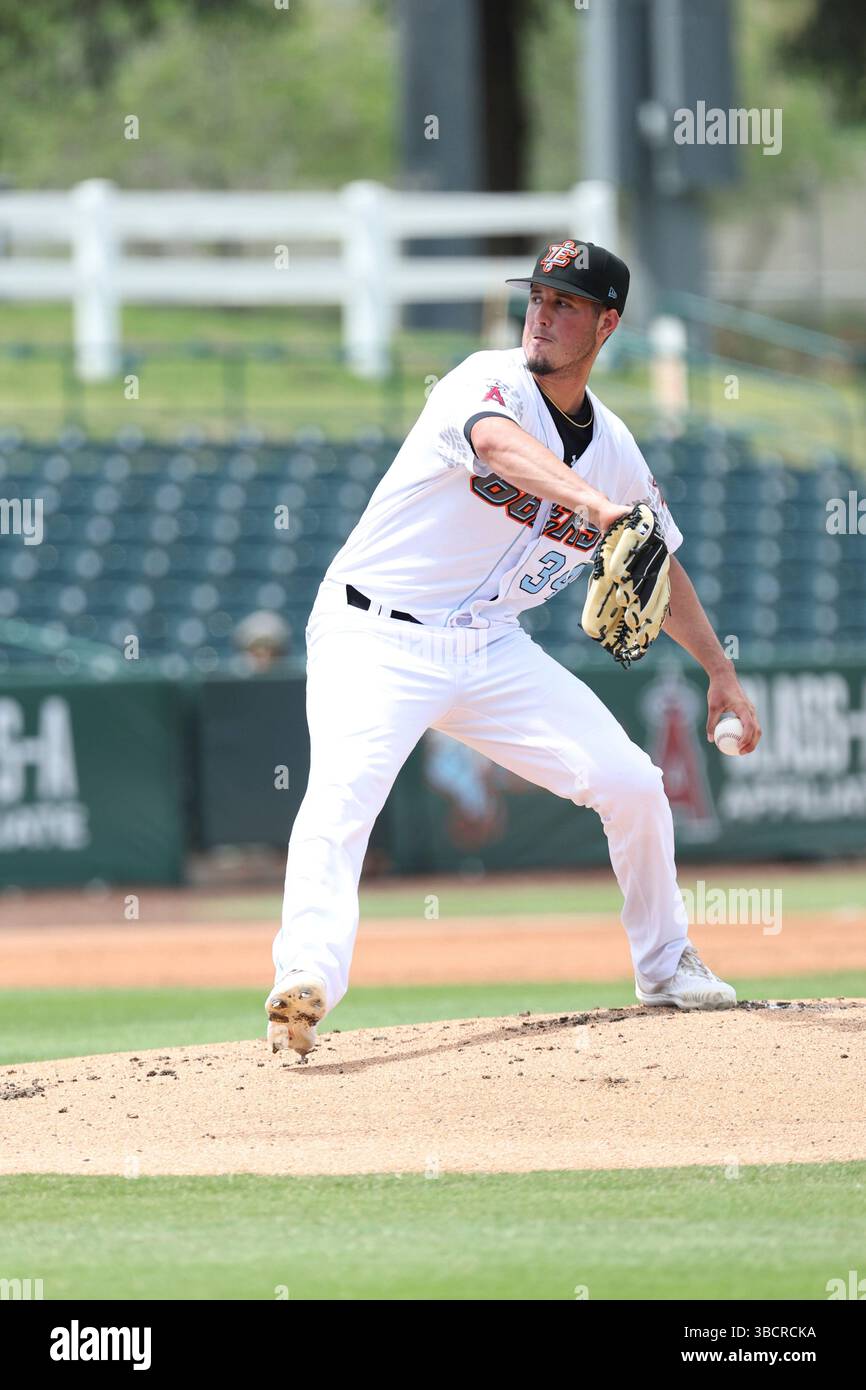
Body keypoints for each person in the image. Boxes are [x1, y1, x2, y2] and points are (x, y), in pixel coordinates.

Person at [265, 239, 762, 1059]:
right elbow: (498, 448)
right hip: (372, 632)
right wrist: (602, 513)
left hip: (490, 647)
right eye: (536, 296)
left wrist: (719, 670)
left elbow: (659, 562)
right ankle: (303, 980)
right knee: (343, 795)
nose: (541, 313)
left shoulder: (615, 451)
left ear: (607, 323)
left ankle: (667, 964)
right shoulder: (483, 380)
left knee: (633, 783)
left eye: (564, 303)